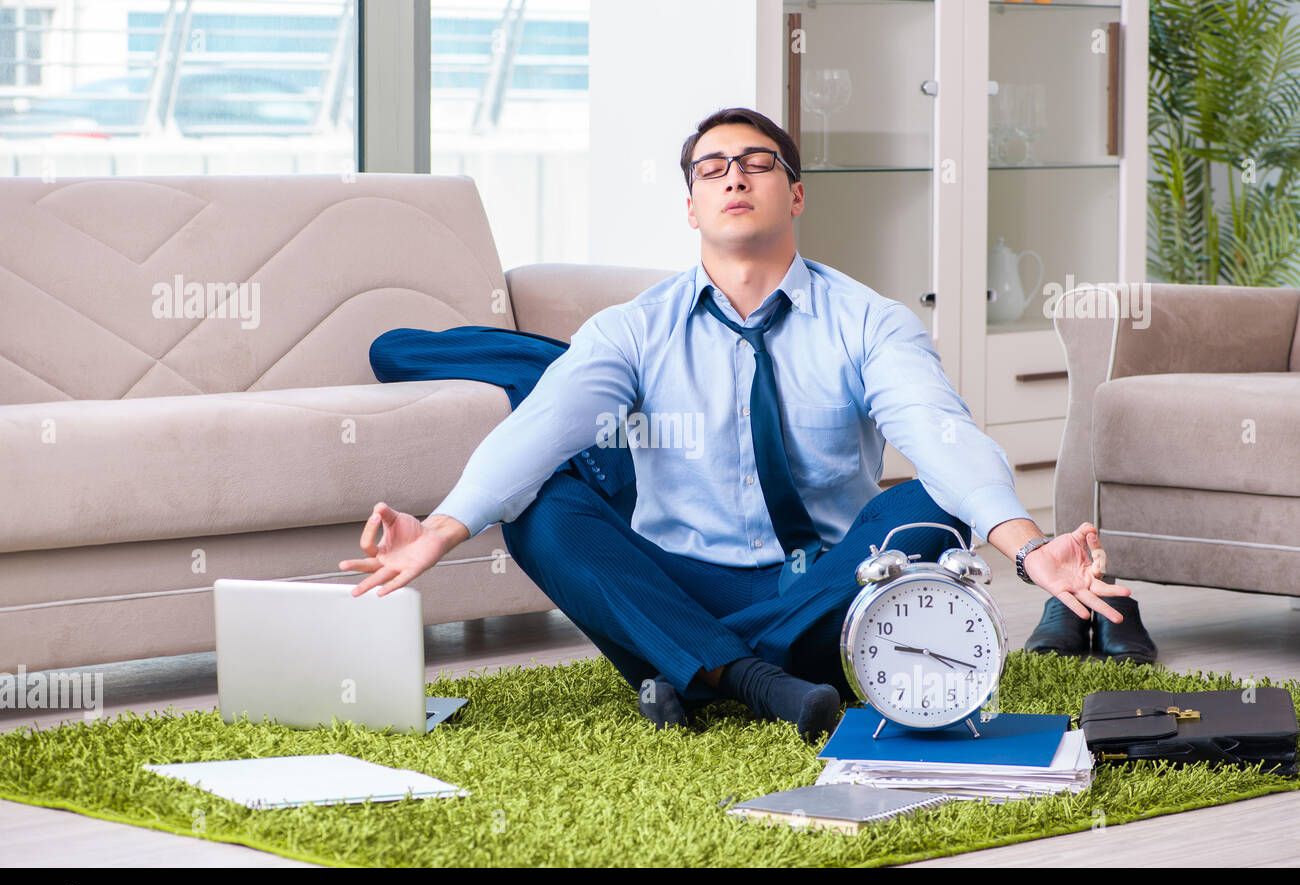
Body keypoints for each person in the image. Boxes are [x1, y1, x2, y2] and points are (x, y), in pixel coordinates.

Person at [339, 106, 1132, 742]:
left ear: (795, 194)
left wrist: (1027, 545)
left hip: (824, 586)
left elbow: (940, 431)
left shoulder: (869, 321)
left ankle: (697, 666)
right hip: (679, 573)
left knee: (926, 505)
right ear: (691, 204)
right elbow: (542, 425)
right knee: (541, 508)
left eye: (758, 163)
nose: (735, 177)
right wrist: (441, 529)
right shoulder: (633, 328)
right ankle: (760, 680)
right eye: (712, 168)